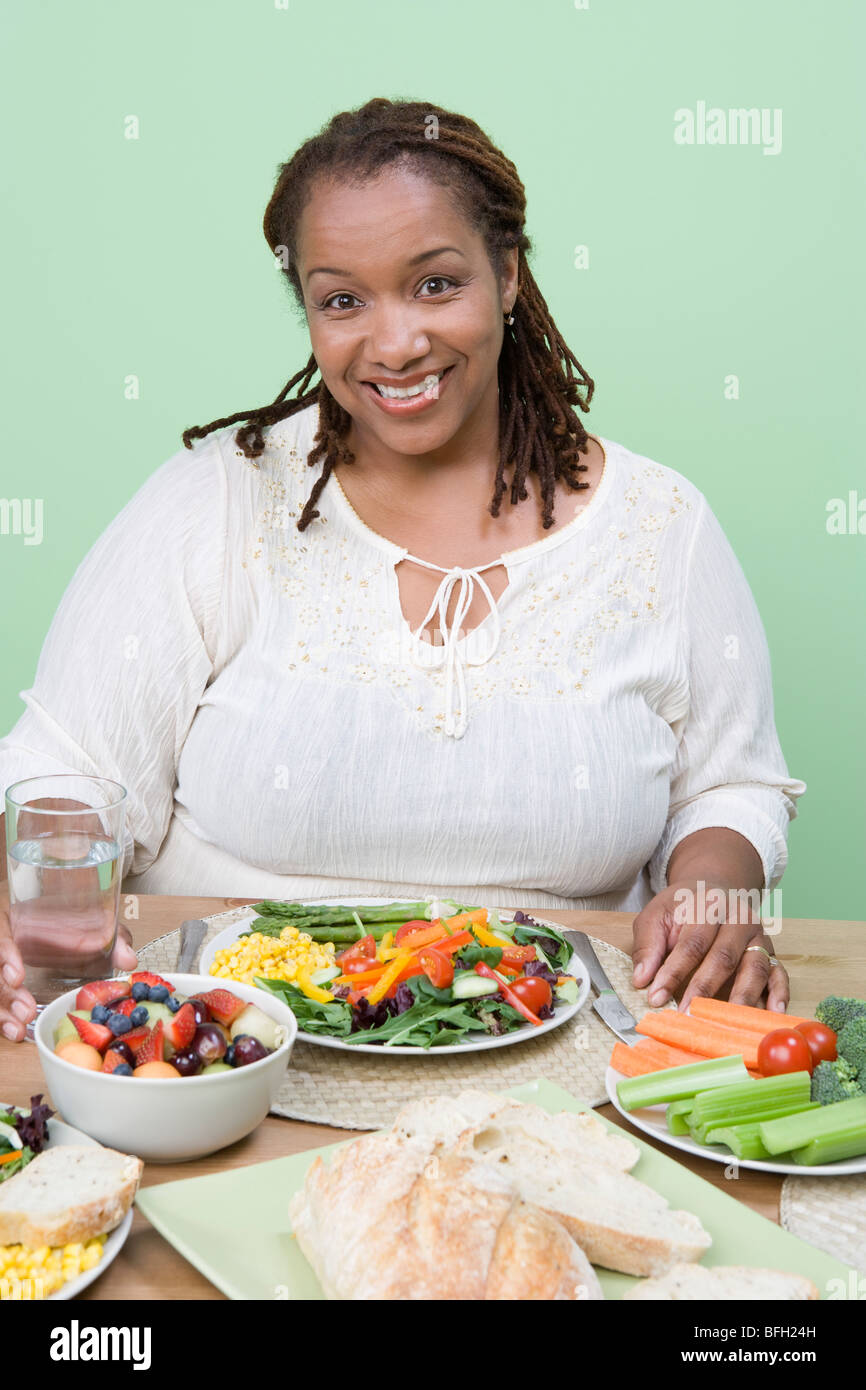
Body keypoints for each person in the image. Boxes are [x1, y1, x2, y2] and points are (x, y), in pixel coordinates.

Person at [0, 97, 805, 1043]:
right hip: (223, 1047)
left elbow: (729, 789)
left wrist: (715, 897)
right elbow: (70, 771)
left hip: (559, 1044)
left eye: (435, 285)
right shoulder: (218, 500)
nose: (394, 345)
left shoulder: (662, 524)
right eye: (342, 300)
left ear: (508, 274)